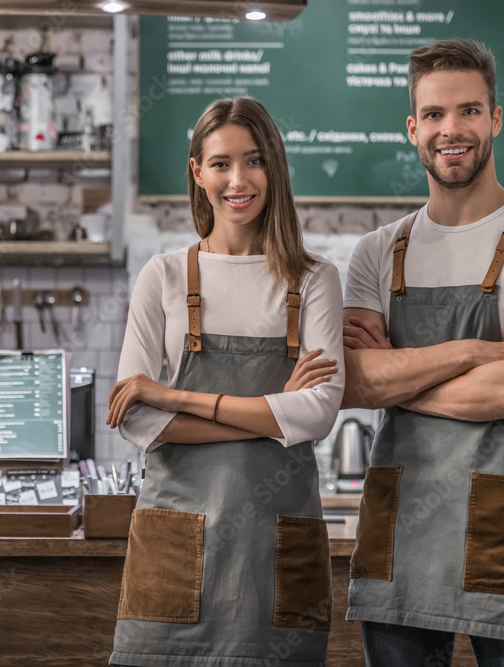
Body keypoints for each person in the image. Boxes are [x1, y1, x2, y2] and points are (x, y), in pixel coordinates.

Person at [341, 39, 504, 666]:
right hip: (399, 535)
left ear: (495, 118)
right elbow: (352, 385)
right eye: (433, 114)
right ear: (413, 129)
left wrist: (399, 380)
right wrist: (477, 353)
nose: (450, 129)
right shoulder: (377, 252)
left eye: (469, 111)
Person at [105, 96, 345, 667]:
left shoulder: (314, 280)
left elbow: (318, 413)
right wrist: (273, 414)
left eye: (255, 160)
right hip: (175, 545)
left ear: (275, 167)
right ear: (198, 172)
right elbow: (135, 418)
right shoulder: (163, 276)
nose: (238, 180)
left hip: (274, 547)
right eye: (221, 163)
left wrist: (175, 398)